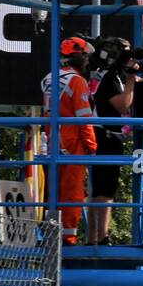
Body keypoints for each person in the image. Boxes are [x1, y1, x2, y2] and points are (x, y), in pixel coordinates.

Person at [41, 37, 97, 245]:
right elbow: (84, 118)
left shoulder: (48, 79)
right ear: (78, 56)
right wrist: (92, 146)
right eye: (86, 56)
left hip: (52, 141)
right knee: (73, 193)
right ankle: (68, 237)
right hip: (73, 144)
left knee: (53, 191)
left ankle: (50, 232)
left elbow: (47, 112)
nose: (88, 61)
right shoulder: (77, 81)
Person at [88, 38, 138, 246]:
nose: (130, 59)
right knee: (104, 190)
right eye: (126, 54)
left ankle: (94, 237)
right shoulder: (110, 78)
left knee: (101, 190)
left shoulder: (116, 77)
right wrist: (132, 81)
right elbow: (123, 105)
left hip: (109, 136)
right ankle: (101, 237)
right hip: (105, 137)